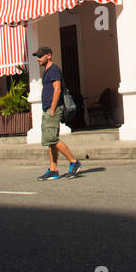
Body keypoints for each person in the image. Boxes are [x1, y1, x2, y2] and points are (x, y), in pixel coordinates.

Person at [35, 46, 81, 180]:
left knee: (52, 139)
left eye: (40, 56)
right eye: (37, 56)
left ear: (48, 56)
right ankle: (53, 169)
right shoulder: (47, 71)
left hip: (53, 109)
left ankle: (74, 162)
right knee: (50, 140)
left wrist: (53, 109)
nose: (38, 59)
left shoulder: (54, 69)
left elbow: (57, 89)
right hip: (47, 108)